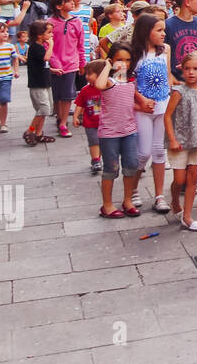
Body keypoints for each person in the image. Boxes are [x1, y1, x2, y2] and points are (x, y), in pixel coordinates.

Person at [131, 13, 173, 214]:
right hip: (143, 110)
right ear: (146, 31)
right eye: (159, 30)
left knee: (159, 152)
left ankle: (159, 195)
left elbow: (168, 75)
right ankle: (133, 189)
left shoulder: (165, 50)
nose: (164, 34)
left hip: (163, 108)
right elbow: (125, 82)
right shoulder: (134, 53)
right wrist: (141, 100)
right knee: (143, 153)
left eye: (164, 29)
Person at [95, 43, 142, 218]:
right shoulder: (109, 80)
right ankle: (107, 205)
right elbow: (99, 85)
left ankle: (127, 200)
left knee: (131, 166)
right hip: (109, 134)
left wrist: (143, 106)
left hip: (129, 131)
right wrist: (107, 66)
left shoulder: (130, 81)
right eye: (119, 60)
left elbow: (130, 102)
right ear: (112, 60)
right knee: (110, 169)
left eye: (128, 60)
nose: (123, 64)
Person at [164, 51, 197, 231]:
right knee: (179, 179)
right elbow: (167, 116)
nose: (191, 72)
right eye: (187, 68)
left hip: (196, 141)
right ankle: (174, 199)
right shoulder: (178, 91)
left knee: (192, 178)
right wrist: (172, 139)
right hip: (179, 142)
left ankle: (187, 216)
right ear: (182, 69)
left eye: (196, 69)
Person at [47, 0, 86, 139]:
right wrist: (54, 61)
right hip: (55, 63)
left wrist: (82, 62)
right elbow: (46, 44)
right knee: (57, 94)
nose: (72, 2)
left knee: (67, 95)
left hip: (71, 63)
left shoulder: (77, 22)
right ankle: (59, 117)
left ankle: (63, 123)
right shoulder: (50, 23)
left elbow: (81, 44)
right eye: (68, 1)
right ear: (59, 6)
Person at [73, 58, 105, 174]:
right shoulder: (85, 90)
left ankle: (98, 158)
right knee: (93, 141)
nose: (86, 76)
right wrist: (75, 116)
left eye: (89, 74)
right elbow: (79, 104)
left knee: (101, 142)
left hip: (105, 123)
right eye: (86, 74)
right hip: (90, 123)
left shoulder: (106, 89)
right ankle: (95, 160)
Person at [24, 20, 53, 146]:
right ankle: (29, 131)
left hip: (44, 82)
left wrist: (53, 69)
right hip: (37, 85)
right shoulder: (35, 47)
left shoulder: (40, 47)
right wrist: (51, 45)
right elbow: (46, 58)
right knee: (43, 109)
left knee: (44, 110)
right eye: (49, 32)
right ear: (40, 35)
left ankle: (39, 133)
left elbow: (42, 64)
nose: (51, 35)